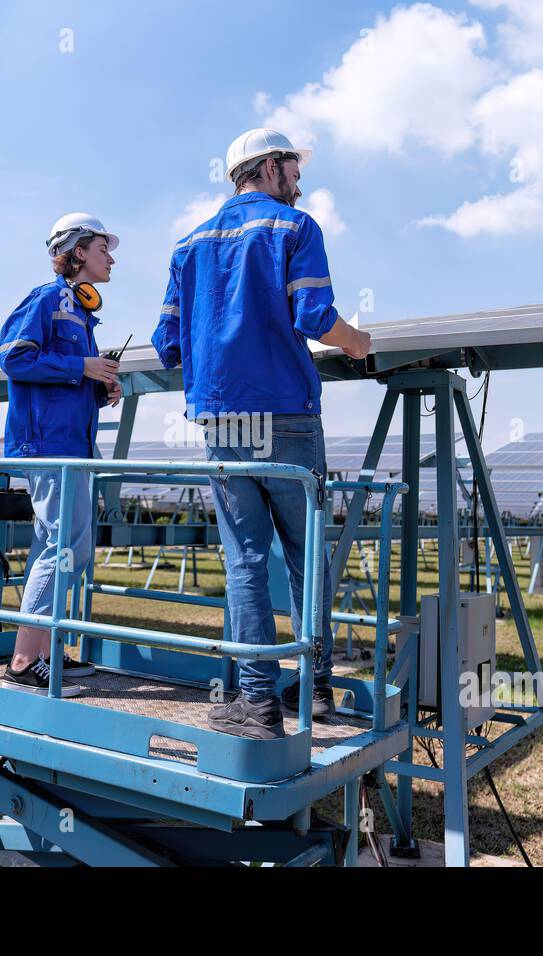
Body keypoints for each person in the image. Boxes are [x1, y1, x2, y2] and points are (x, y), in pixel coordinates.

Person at [152, 129, 371, 738]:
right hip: (288, 417)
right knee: (307, 558)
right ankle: (315, 686)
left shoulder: (188, 245)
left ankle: (256, 702)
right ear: (271, 167)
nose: (298, 182)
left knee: (244, 561)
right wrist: (360, 344)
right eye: (293, 169)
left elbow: (168, 345)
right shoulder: (295, 229)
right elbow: (316, 318)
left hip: (222, 423)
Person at [0, 212, 123, 697]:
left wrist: (99, 387)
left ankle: (44, 652)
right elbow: (14, 357)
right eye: (102, 249)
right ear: (76, 253)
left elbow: (63, 381)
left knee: (67, 546)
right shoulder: (47, 299)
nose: (110, 257)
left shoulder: (81, 315)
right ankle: (25, 662)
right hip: (47, 444)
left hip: (72, 444)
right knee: (61, 545)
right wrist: (82, 365)